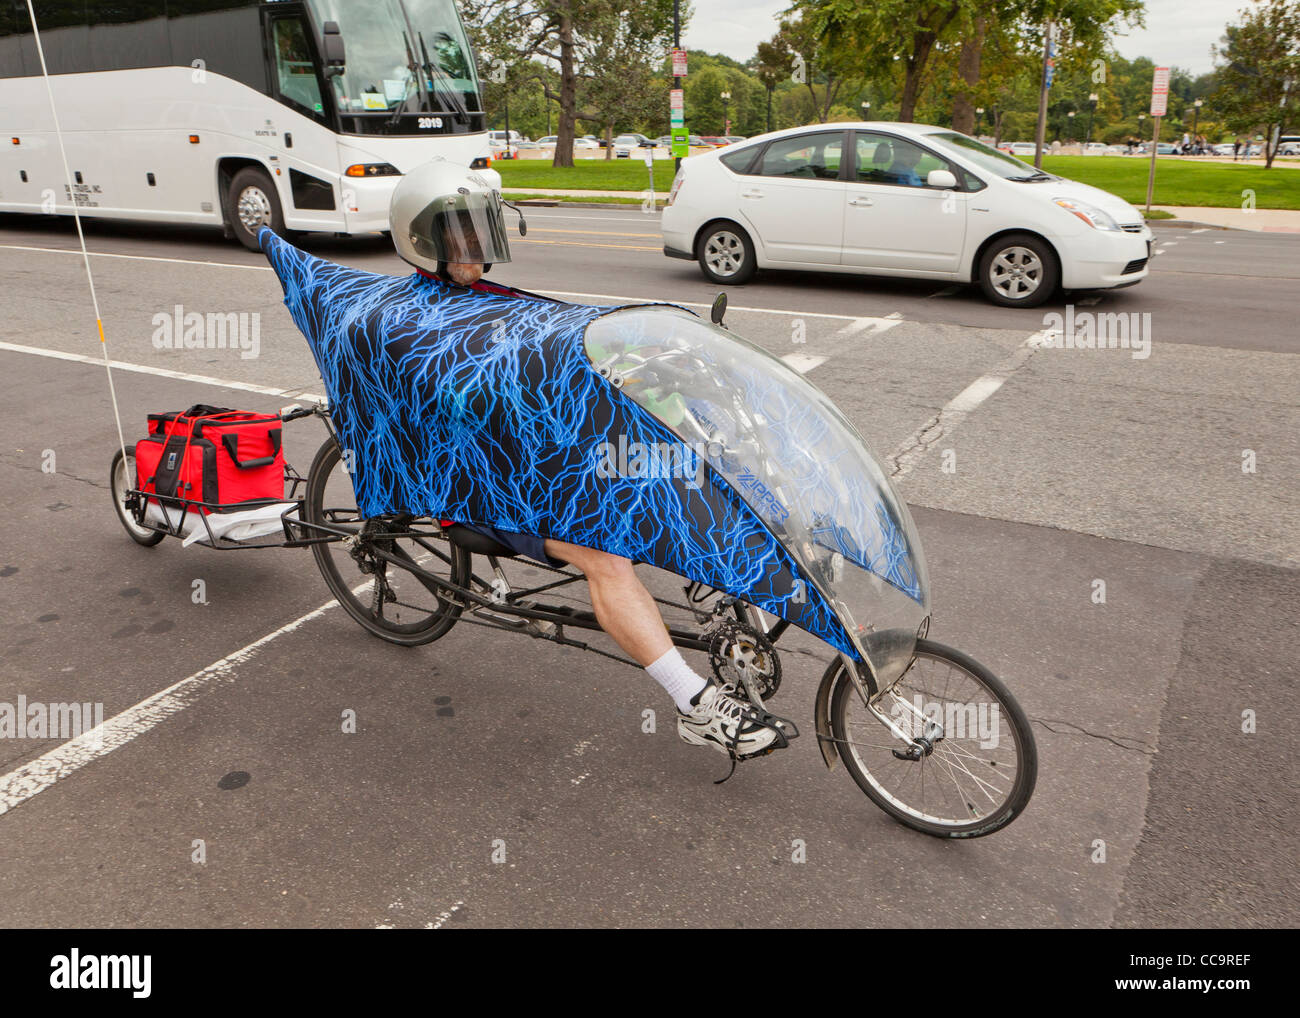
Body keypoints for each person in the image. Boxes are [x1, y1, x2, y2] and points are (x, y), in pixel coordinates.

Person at [386, 159, 785, 760]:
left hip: (544, 463)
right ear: (423, 240)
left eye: (481, 231)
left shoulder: (489, 295)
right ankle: (693, 703)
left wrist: (649, 358)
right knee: (604, 552)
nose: (475, 247)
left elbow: (564, 337)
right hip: (477, 484)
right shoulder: (411, 321)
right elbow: (463, 400)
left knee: (683, 464)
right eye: (460, 235)